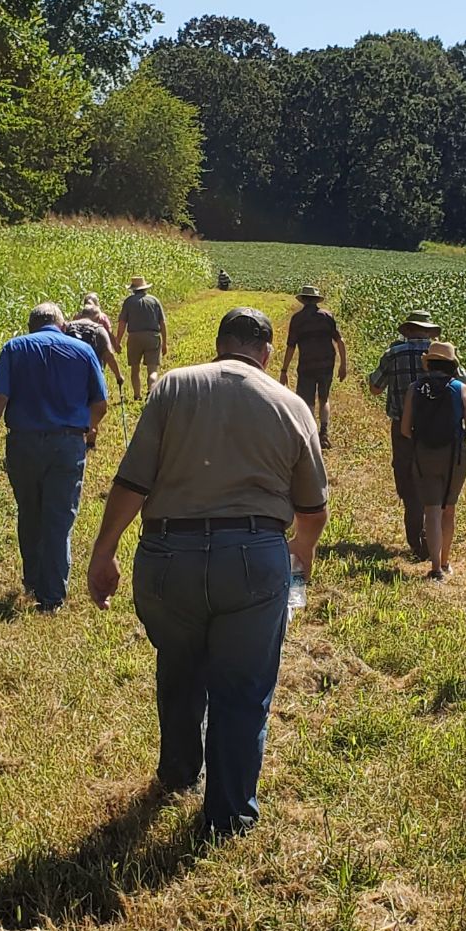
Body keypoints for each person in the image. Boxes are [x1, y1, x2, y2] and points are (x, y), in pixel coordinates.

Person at [87, 308, 328, 836]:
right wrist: (299, 559)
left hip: (169, 556)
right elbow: (312, 511)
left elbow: (132, 481)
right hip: (254, 558)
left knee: (179, 666)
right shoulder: (292, 406)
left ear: (219, 344)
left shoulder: (173, 387)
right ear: (267, 353)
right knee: (243, 688)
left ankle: (178, 773)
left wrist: (104, 550)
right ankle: (229, 815)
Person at [0, 302, 108, 611]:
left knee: (30, 512)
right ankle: (51, 598)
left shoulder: (14, 348)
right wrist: (84, 430)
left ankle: (32, 582)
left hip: (24, 444)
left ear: (30, 327)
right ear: (62, 325)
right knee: (58, 519)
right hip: (67, 444)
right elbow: (100, 405)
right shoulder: (83, 351)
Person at [367, 309, 445, 556]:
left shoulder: (393, 353)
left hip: (403, 427)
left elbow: (375, 388)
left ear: (408, 330)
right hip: (436, 428)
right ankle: (433, 539)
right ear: (428, 332)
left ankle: (416, 539)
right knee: (433, 478)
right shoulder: (441, 354)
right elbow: (465, 384)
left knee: (408, 480)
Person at [397, 341, 466, 580]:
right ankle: (445, 561)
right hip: (454, 456)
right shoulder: (461, 389)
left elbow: (405, 429)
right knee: (448, 509)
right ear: (452, 365)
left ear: (428, 364)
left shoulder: (414, 388)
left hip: (424, 454)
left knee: (431, 510)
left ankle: (435, 569)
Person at [279, 285, 349, 449]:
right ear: (317, 300)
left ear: (303, 300)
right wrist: (343, 365)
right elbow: (340, 341)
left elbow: (291, 346)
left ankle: (311, 435)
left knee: (307, 400)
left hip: (306, 364)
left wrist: (284, 370)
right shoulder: (327, 316)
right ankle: (324, 433)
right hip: (326, 363)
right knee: (324, 399)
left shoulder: (297, 319)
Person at [118, 276, 168, 400]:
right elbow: (162, 323)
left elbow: (122, 323)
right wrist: (164, 343)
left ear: (133, 289)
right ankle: (151, 391)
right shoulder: (154, 301)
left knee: (135, 369)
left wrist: (117, 341)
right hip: (152, 337)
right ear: (145, 288)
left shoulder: (128, 302)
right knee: (153, 369)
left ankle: (137, 395)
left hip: (134, 337)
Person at [59, 303, 125, 390]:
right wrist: (118, 376)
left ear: (81, 315)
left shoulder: (67, 327)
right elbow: (108, 355)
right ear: (98, 318)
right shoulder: (99, 330)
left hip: (69, 373)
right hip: (92, 374)